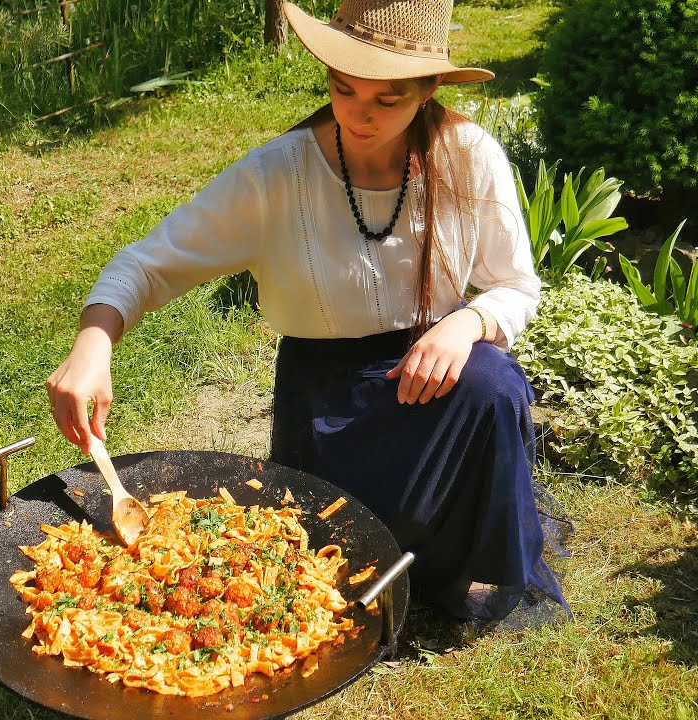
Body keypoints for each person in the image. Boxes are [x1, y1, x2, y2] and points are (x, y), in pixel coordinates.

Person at [46, 0, 570, 629]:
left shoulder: (468, 156)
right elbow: (146, 265)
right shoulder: (277, 176)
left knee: (496, 385)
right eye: (344, 89)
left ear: (429, 88)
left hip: (435, 374)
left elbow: (514, 286)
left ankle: (458, 564)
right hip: (328, 404)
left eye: (388, 99)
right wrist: (93, 345)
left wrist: (466, 323)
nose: (359, 114)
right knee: (338, 559)